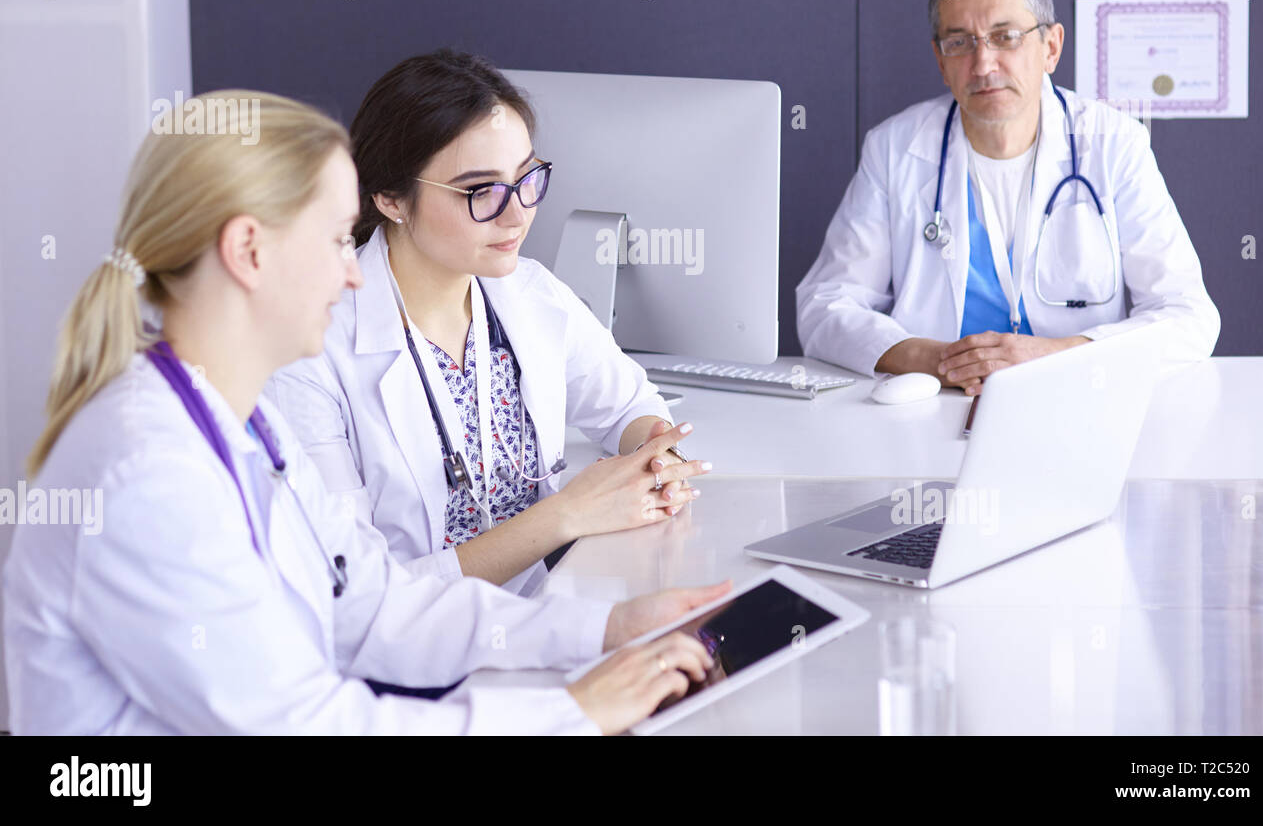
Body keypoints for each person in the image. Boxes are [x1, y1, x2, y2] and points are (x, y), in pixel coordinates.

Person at [3, 91, 726, 735]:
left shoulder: (243, 422)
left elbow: (372, 605)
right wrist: (570, 714)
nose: (354, 271)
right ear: (249, 252)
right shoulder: (146, 473)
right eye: (332, 239)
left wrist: (605, 628)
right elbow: (301, 724)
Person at [268, 52, 704, 597]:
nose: (518, 214)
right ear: (390, 198)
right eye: (482, 192)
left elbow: (628, 406)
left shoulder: (530, 293)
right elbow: (355, 592)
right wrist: (567, 515)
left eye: (527, 180)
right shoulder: (308, 351)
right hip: (413, 661)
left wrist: (656, 455)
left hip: (537, 621)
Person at [797, 0, 1219, 393]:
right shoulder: (894, 148)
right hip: (936, 401)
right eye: (959, 43)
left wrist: (1056, 355)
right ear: (941, 62)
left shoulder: (1113, 143)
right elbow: (825, 307)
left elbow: (1189, 315)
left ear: (1050, 48)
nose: (983, 64)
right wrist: (938, 359)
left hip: (1077, 398)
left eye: (1006, 37)